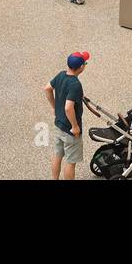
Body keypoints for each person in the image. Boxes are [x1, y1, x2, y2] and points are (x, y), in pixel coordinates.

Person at [45, 51, 89, 180]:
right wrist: (75, 126)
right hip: (70, 130)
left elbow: (47, 88)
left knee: (58, 155)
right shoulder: (75, 84)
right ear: (81, 67)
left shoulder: (61, 75)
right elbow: (68, 107)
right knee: (70, 162)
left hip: (58, 124)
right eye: (85, 63)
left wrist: (54, 107)